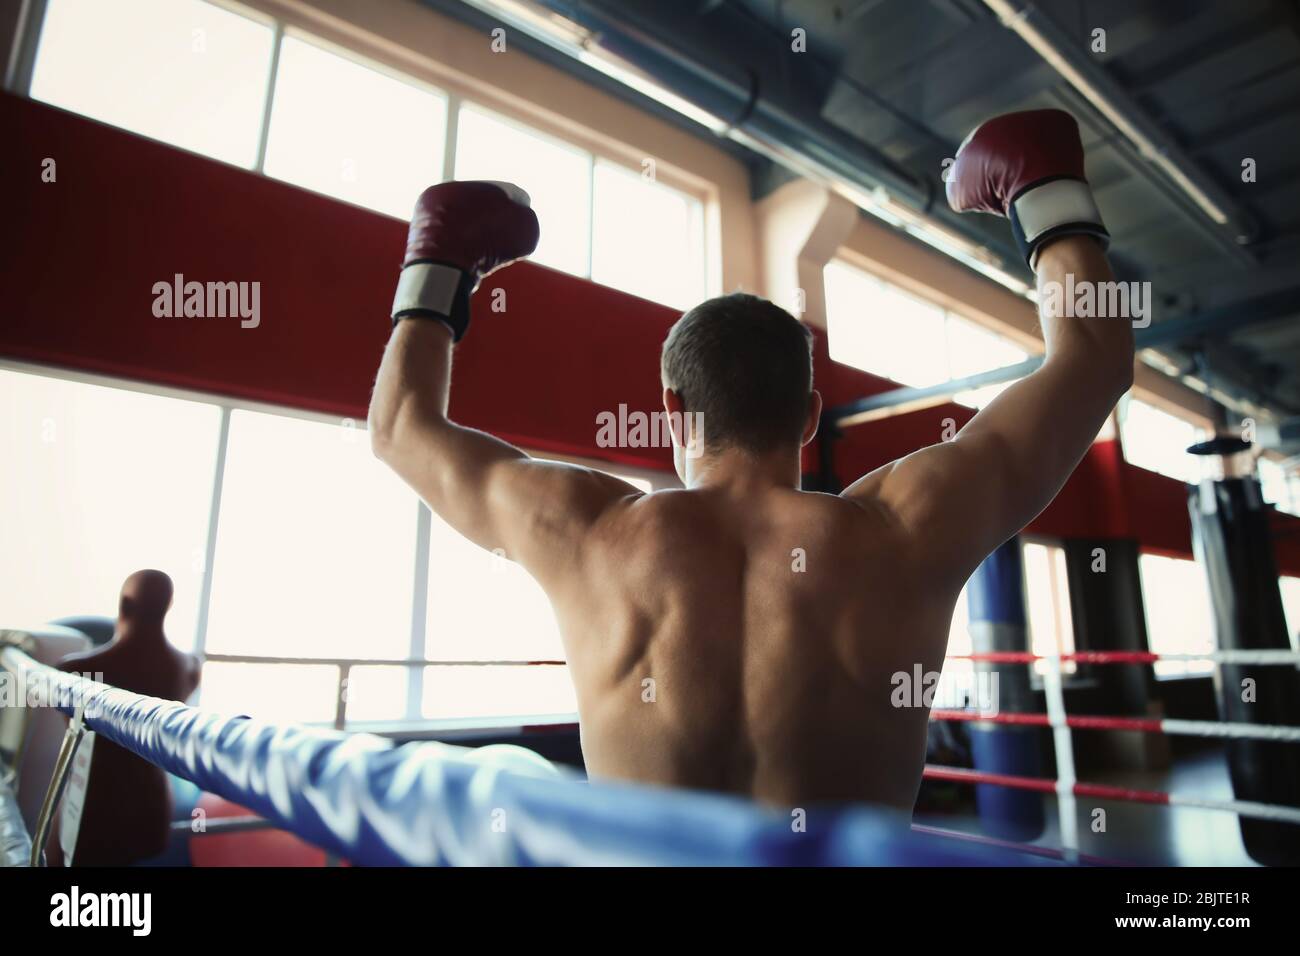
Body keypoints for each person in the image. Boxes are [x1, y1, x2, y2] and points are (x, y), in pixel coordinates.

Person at [370, 110, 1133, 810]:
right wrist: (1044, 186)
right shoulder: (904, 529)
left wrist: (437, 265)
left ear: (673, 408)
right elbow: (1095, 357)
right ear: (808, 417)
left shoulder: (585, 533)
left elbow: (401, 427)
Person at [50, 570, 201, 865]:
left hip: (91, 809)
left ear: (124, 604)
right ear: (167, 606)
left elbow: (71, 734)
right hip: (150, 811)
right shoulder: (188, 668)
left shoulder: (75, 670)